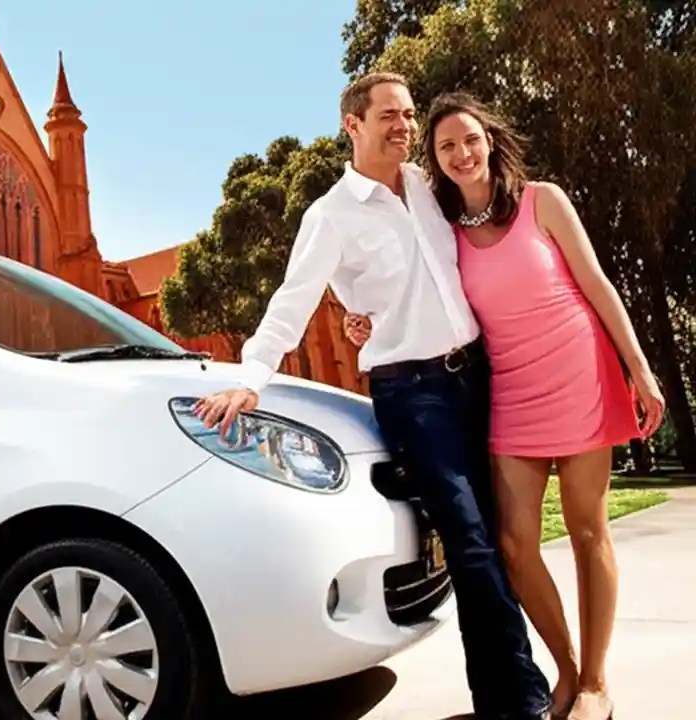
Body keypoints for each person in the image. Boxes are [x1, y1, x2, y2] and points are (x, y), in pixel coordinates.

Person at [192, 72, 554, 720]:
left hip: (475, 376)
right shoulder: (330, 216)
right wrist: (249, 378)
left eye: (409, 114)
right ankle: (524, 702)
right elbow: (290, 303)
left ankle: (500, 699)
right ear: (351, 124)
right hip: (414, 392)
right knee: (469, 541)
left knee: (493, 543)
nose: (404, 126)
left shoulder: (428, 186)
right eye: (389, 114)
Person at [342, 91, 664, 720]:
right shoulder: (439, 226)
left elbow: (597, 282)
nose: (462, 153)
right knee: (514, 545)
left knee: (587, 528)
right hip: (511, 390)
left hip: (579, 374)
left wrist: (640, 368)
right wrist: (364, 321)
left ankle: (596, 682)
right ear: (436, 161)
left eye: (470, 139)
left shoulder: (543, 200)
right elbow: (404, 286)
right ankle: (566, 671)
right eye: (447, 147)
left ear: (490, 140)